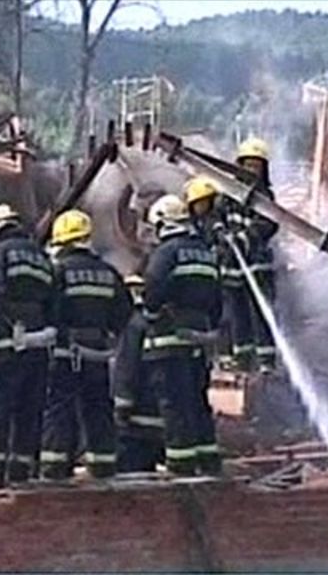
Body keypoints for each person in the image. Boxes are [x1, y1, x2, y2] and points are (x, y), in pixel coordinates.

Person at [40, 209, 131, 481]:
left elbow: (48, 309)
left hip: (66, 351)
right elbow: (123, 313)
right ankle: (103, 465)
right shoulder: (108, 272)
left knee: (60, 408)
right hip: (98, 352)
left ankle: (56, 466)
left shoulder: (58, 271)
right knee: (99, 407)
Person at [0, 204, 57, 488]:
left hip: (7, 346)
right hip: (39, 345)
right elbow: (53, 302)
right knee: (29, 409)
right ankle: (22, 471)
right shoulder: (42, 257)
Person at [143, 191, 223, 476]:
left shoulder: (166, 252)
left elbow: (153, 288)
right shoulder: (204, 251)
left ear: (163, 222)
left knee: (174, 403)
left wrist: (150, 314)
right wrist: (210, 328)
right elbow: (217, 298)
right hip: (200, 339)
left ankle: (181, 463)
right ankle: (209, 459)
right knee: (198, 401)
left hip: (170, 338)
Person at [112, 274, 165, 473]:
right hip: (165, 419)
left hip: (137, 425)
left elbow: (127, 365)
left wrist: (122, 405)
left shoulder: (133, 325)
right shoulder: (167, 321)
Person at [235, 137, 280, 373]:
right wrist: (220, 232)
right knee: (237, 315)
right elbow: (216, 217)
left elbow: (270, 223)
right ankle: (242, 359)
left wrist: (247, 237)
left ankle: (266, 361)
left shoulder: (266, 196)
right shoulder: (228, 192)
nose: (252, 170)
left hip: (258, 266)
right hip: (233, 268)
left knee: (261, 313)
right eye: (248, 164)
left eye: (257, 165)